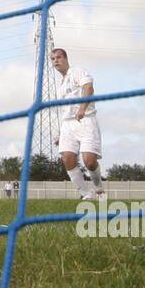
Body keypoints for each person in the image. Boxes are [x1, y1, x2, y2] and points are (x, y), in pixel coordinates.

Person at [51, 48, 103, 201]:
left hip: (85, 119)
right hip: (68, 124)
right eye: (53, 59)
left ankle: (99, 188)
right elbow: (64, 111)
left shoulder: (77, 71)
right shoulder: (60, 86)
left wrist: (82, 108)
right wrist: (60, 133)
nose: (56, 61)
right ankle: (86, 194)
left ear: (66, 58)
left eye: (59, 57)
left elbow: (89, 88)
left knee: (89, 161)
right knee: (67, 158)